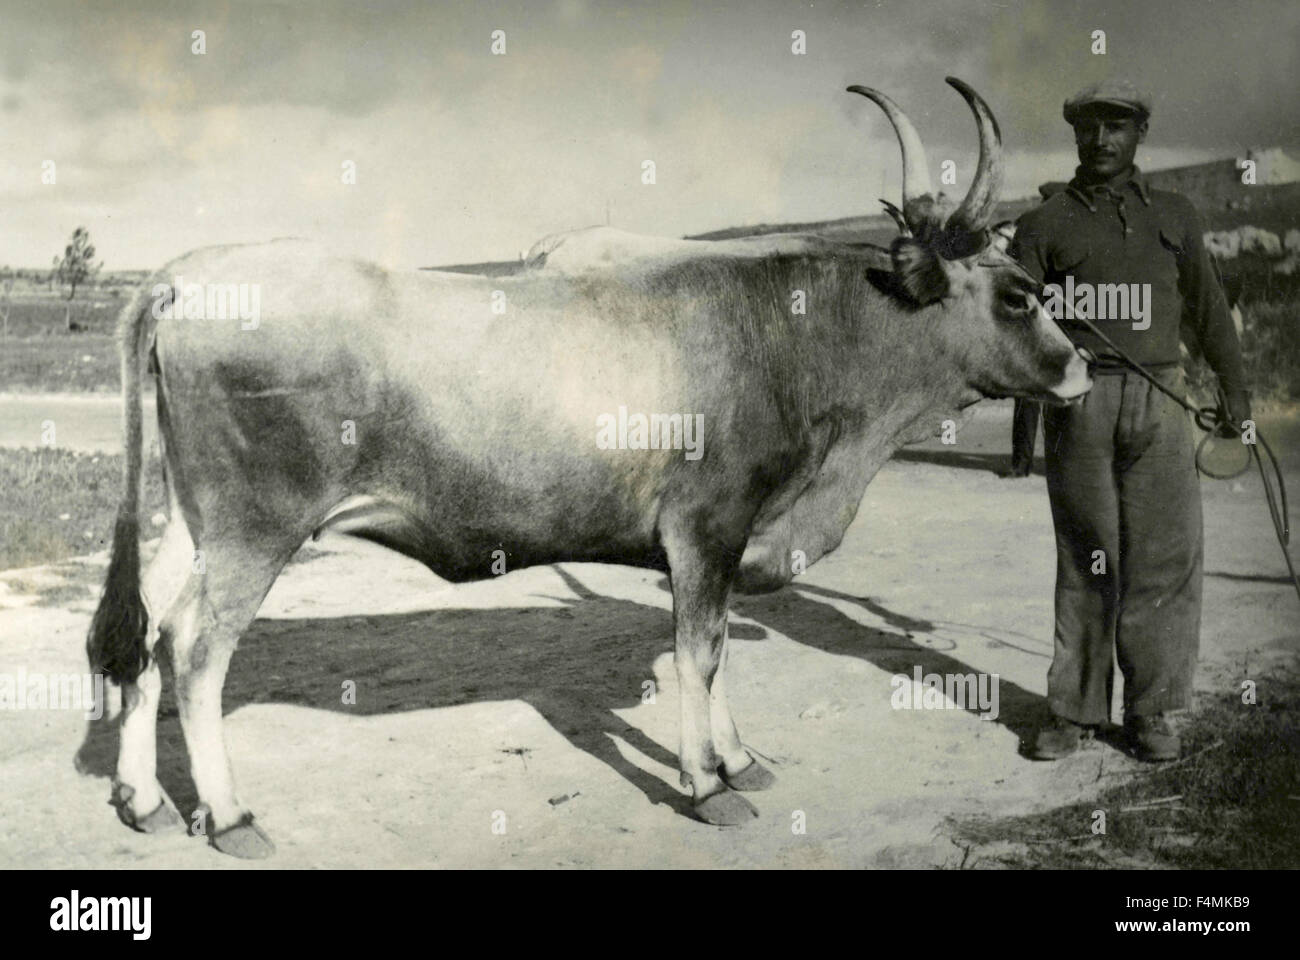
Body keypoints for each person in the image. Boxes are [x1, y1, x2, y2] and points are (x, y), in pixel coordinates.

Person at [1010, 80, 1251, 762]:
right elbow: (1018, 324)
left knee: (1164, 559)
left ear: (1139, 133)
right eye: (1089, 127)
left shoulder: (1176, 215)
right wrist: (1035, 402)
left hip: (1164, 402)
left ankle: (1153, 710)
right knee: (1089, 558)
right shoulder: (1044, 224)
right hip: (1079, 405)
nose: (1102, 140)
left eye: (1117, 127)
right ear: (1075, 136)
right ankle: (1073, 712)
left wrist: (1237, 394)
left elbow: (1208, 311)